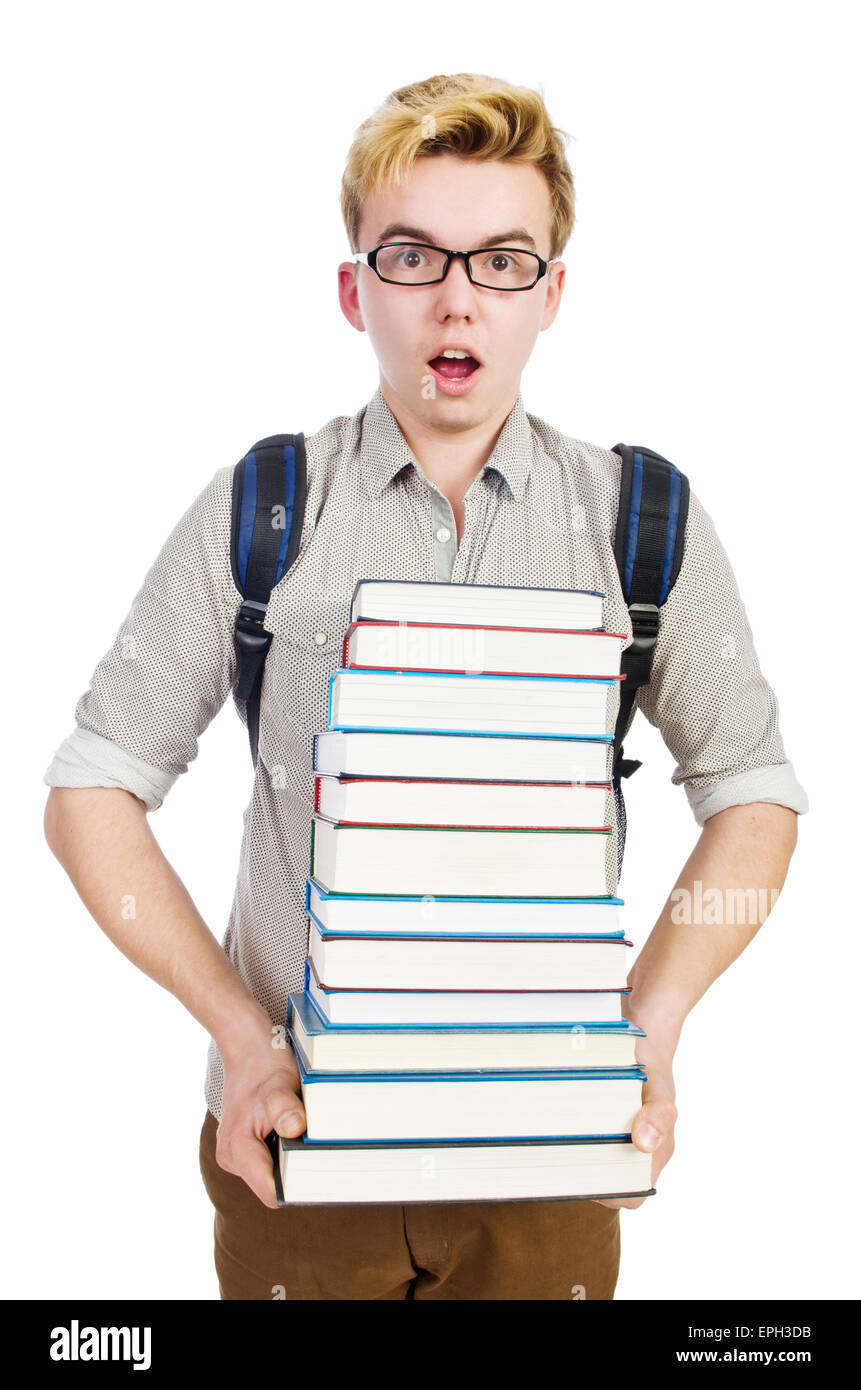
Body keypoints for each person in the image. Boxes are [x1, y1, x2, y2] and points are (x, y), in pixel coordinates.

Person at [42, 72, 808, 1301]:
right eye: (412, 257)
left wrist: (651, 1027)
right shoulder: (266, 508)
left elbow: (755, 795)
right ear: (354, 287)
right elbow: (92, 788)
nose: (457, 299)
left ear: (553, 292)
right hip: (289, 1153)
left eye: (503, 261)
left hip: (553, 1165)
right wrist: (241, 1040)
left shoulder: (640, 523)